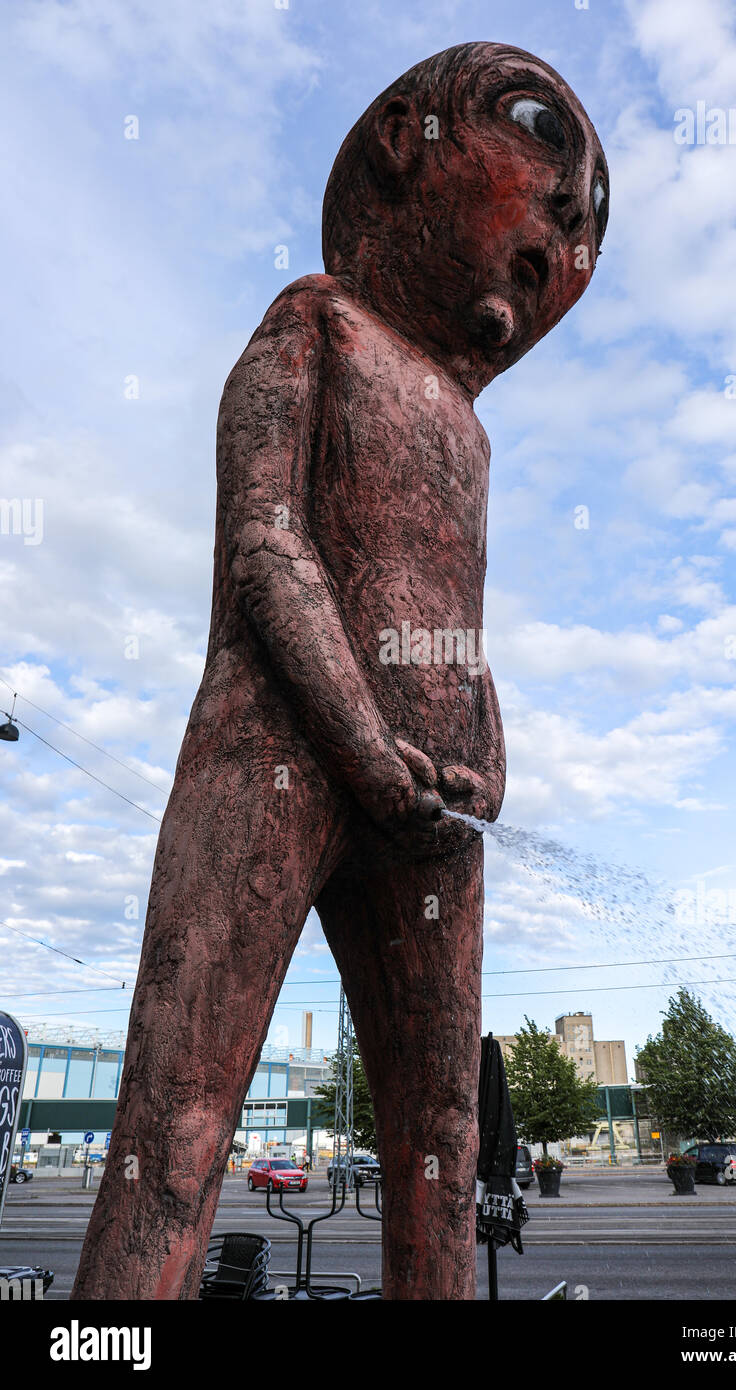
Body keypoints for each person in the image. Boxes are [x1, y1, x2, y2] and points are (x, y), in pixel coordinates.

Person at [72, 41, 608, 1302]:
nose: (574, 226)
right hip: (278, 754)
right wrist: (362, 745)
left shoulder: (468, 432)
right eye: (545, 144)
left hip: (433, 817)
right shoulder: (317, 320)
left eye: (589, 232)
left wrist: (486, 751)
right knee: (179, 1124)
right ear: (402, 139)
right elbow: (265, 544)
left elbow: (452, 617)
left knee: (441, 1145)